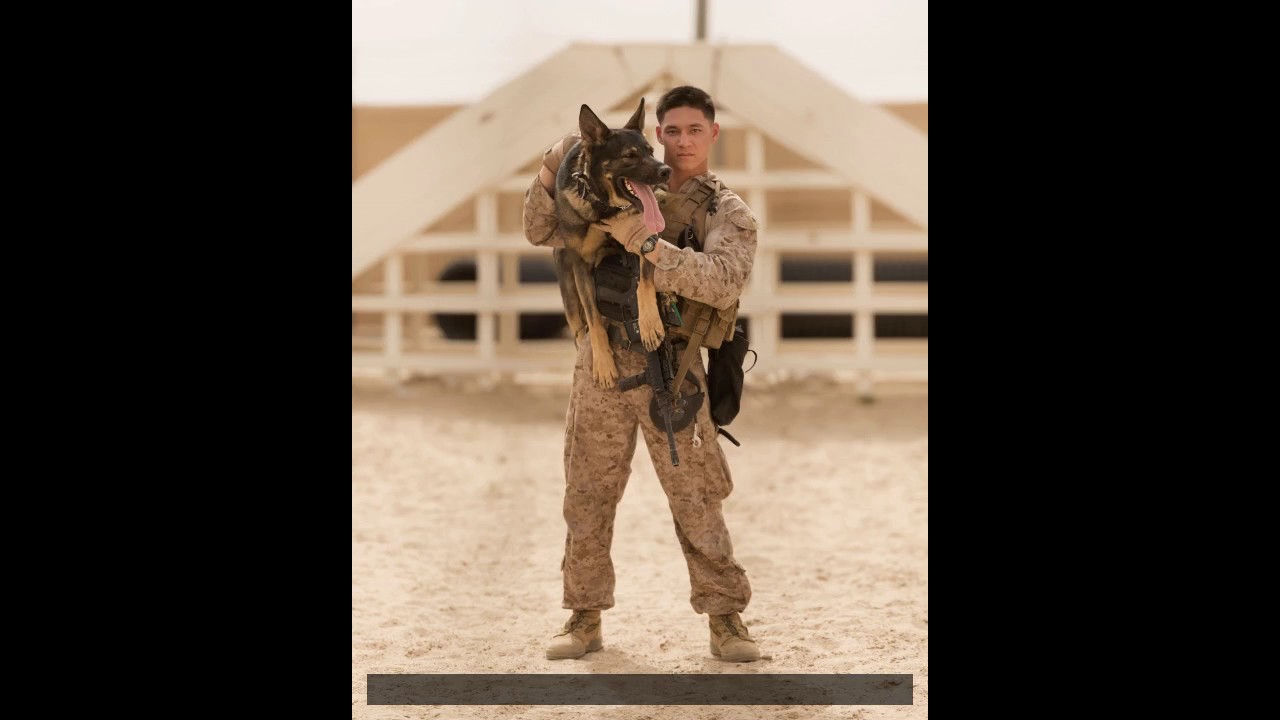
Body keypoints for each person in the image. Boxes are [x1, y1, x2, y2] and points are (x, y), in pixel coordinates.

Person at [522, 86, 762, 662]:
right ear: (656, 135)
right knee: (587, 491)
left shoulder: (722, 210)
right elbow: (540, 230)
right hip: (601, 362)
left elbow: (724, 281)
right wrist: (551, 166)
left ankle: (726, 618)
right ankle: (584, 617)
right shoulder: (607, 189)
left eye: (694, 131)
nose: (682, 142)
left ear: (712, 134)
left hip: (673, 367)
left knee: (696, 495)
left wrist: (653, 249)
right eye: (672, 131)